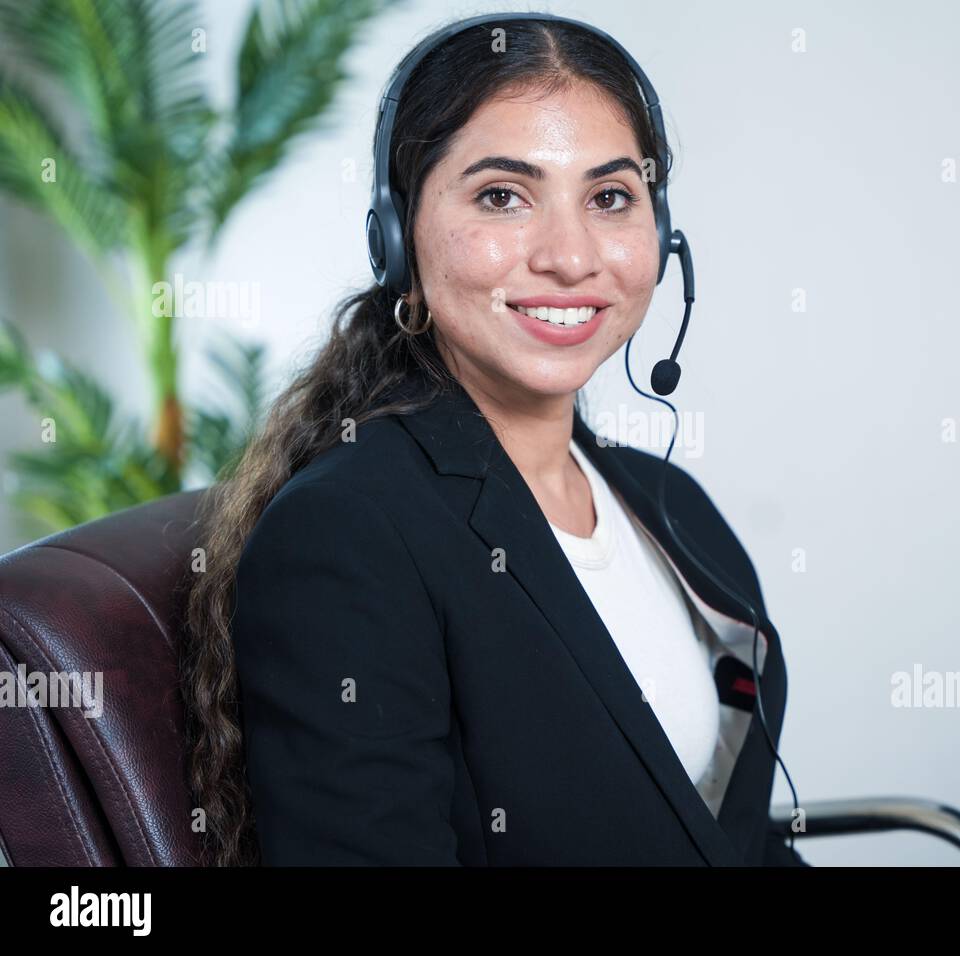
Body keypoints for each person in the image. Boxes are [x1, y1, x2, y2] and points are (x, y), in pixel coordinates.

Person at [181, 13, 806, 867]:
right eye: (503, 196)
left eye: (611, 198)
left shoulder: (666, 507)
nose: (570, 257)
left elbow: (735, 837)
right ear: (397, 239)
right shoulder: (348, 538)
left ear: (662, 239)